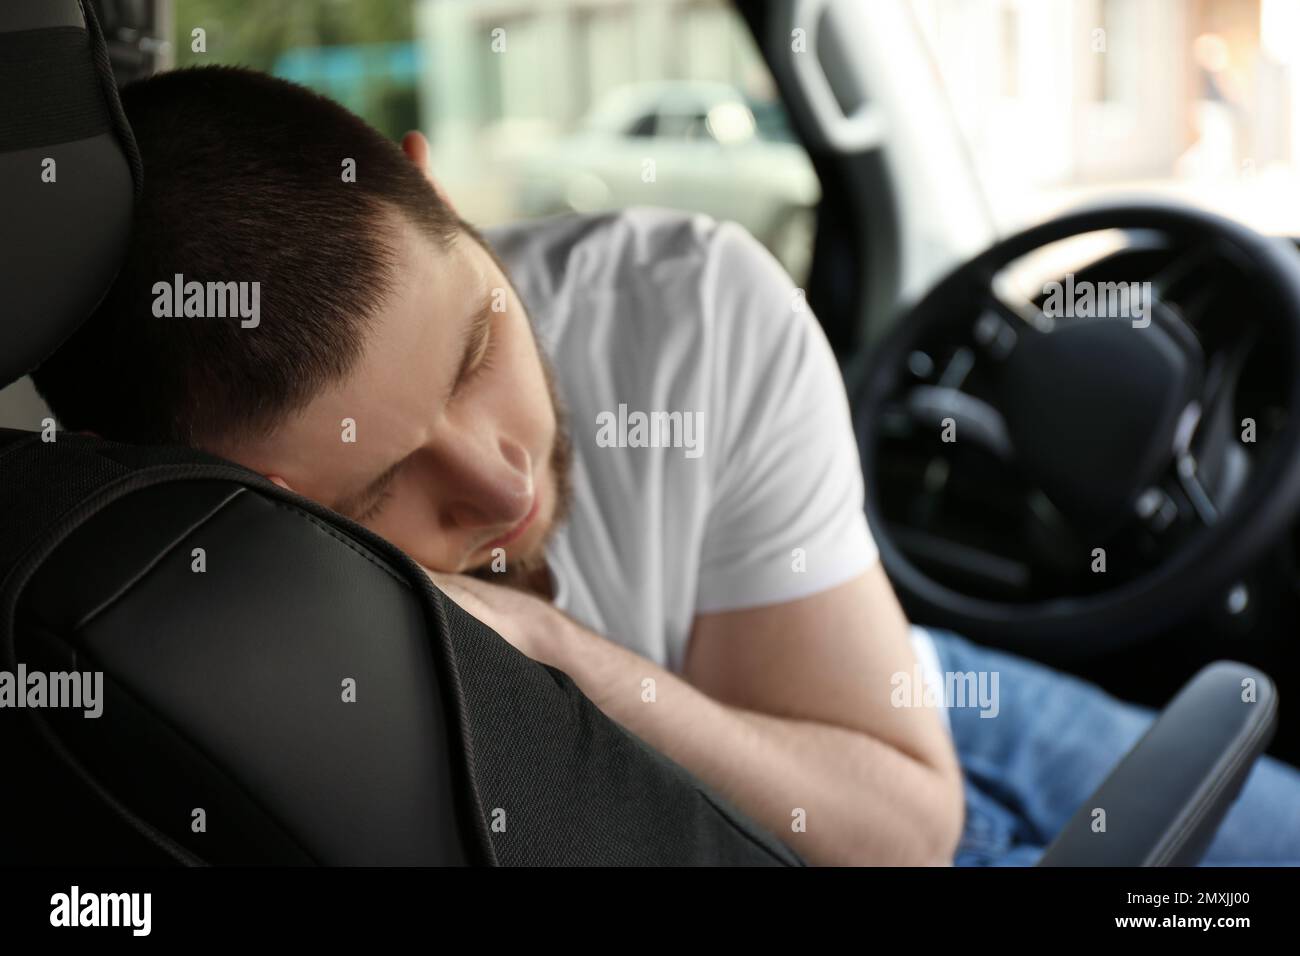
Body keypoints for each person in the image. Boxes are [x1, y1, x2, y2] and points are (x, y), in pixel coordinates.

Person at [32, 66, 1300, 865]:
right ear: (184, 491)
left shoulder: (688, 306)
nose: (503, 484)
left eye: (478, 345)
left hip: (865, 674)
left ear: (443, 195)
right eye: (374, 493)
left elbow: (905, 812)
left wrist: (567, 656)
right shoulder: (156, 608)